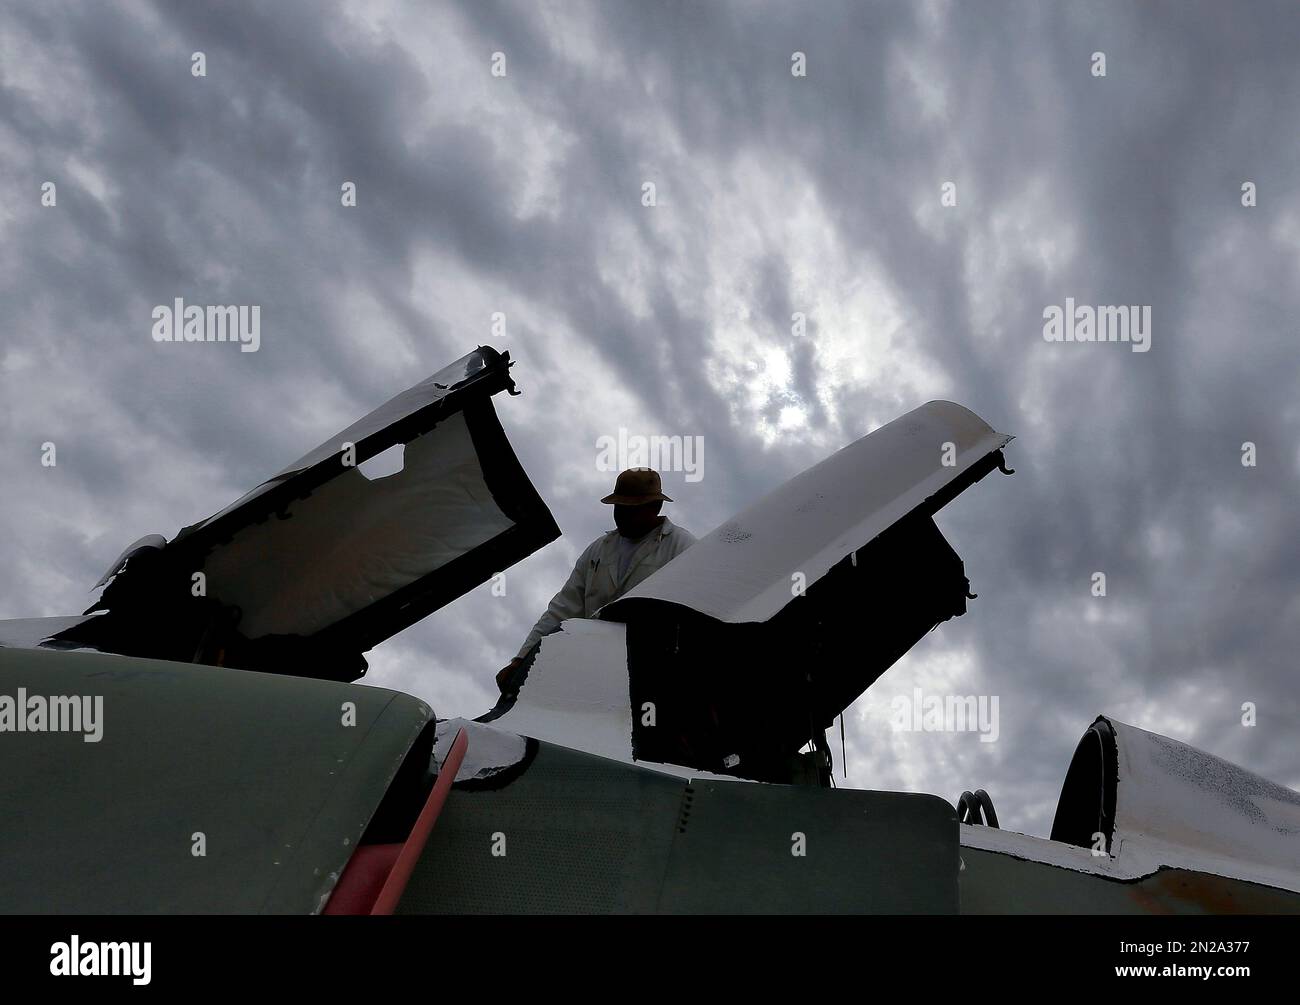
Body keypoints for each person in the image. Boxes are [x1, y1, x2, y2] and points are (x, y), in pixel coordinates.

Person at [496, 467, 696, 693]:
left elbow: (694, 622)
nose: (621, 515)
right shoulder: (598, 550)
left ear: (655, 507)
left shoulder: (683, 549)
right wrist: (521, 660)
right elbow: (562, 609)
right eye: (618, 507)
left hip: (651, 677)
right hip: (590, 670)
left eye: (630, 509)